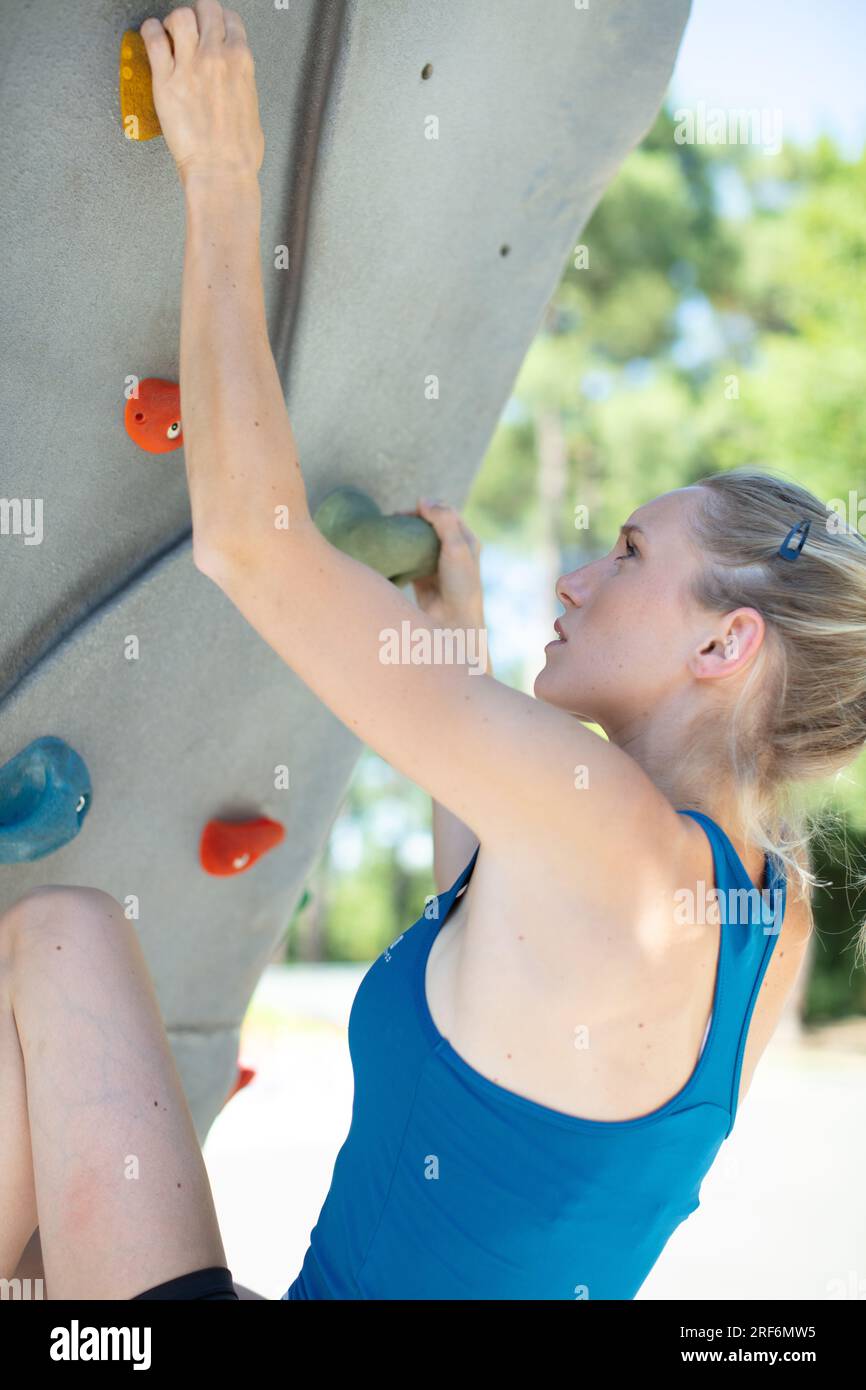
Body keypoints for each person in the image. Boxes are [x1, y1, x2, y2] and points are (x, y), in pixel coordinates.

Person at [2, 1, 863, 1300]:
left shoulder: (613, 836)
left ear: (724, 638)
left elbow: (251, 541)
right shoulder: (756, 912)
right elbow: (514, 947)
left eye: (627, 552)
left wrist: (225, 178)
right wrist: (454, 657)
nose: (572, 577)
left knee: (62, 936)